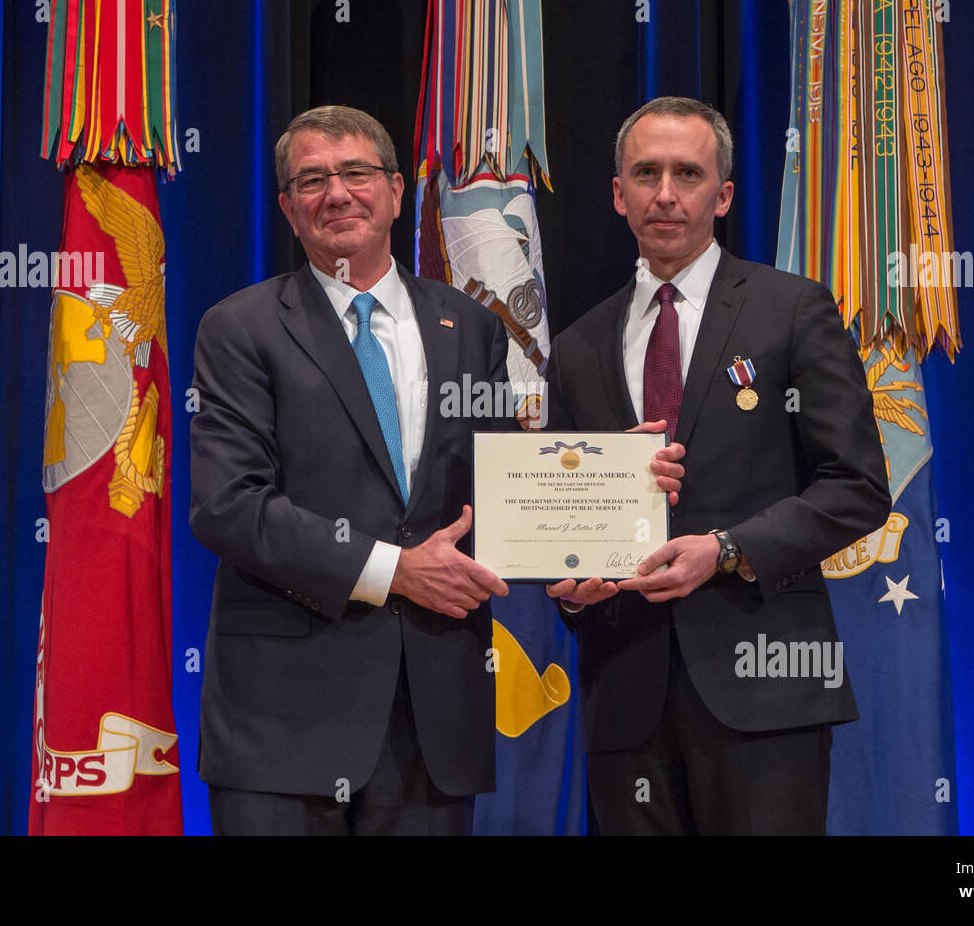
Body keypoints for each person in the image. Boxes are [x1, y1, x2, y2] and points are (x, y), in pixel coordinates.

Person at [544, 96, 890, 835]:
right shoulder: (576, 346)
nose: (665, 192)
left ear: (723, 195)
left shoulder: (792, 309)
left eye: (687, 173)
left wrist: (727, 550)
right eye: (646, 172)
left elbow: (857, 486)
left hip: (766, 686)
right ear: (617, 193)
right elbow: (567, 519)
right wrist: (571, 592)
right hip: (625, 696)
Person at [189, 105, 516, 835]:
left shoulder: (472, 326)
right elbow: (229, 503)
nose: (337, 192)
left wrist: (594, 516)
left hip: (431, 717)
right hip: (283, 726)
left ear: (397, 192)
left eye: (356, 173)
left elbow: (501, 486)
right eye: (312, 179)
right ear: (288, 209)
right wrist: (393, 569)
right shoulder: (240, 328)